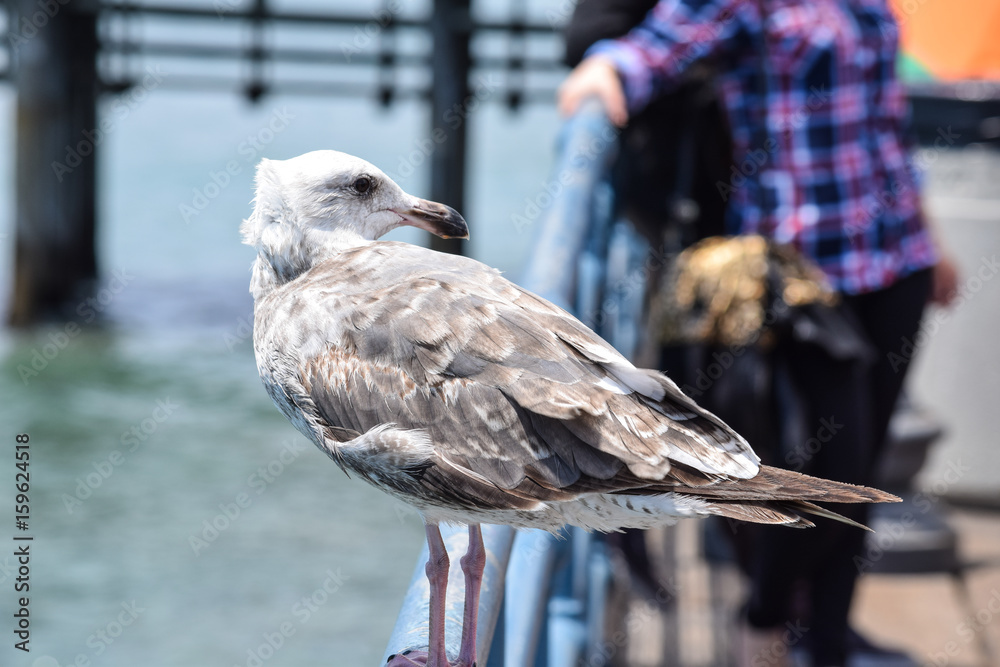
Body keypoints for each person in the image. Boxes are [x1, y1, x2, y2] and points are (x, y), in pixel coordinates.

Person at [558, 1, 958, 666]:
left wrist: (933, 240)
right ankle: (763, 619)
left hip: (895, 256)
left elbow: (887, 123)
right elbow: (652, 49)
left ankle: (828, 640)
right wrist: (605, 71)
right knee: (830, 461)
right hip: (799, 271)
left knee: (866, 462)